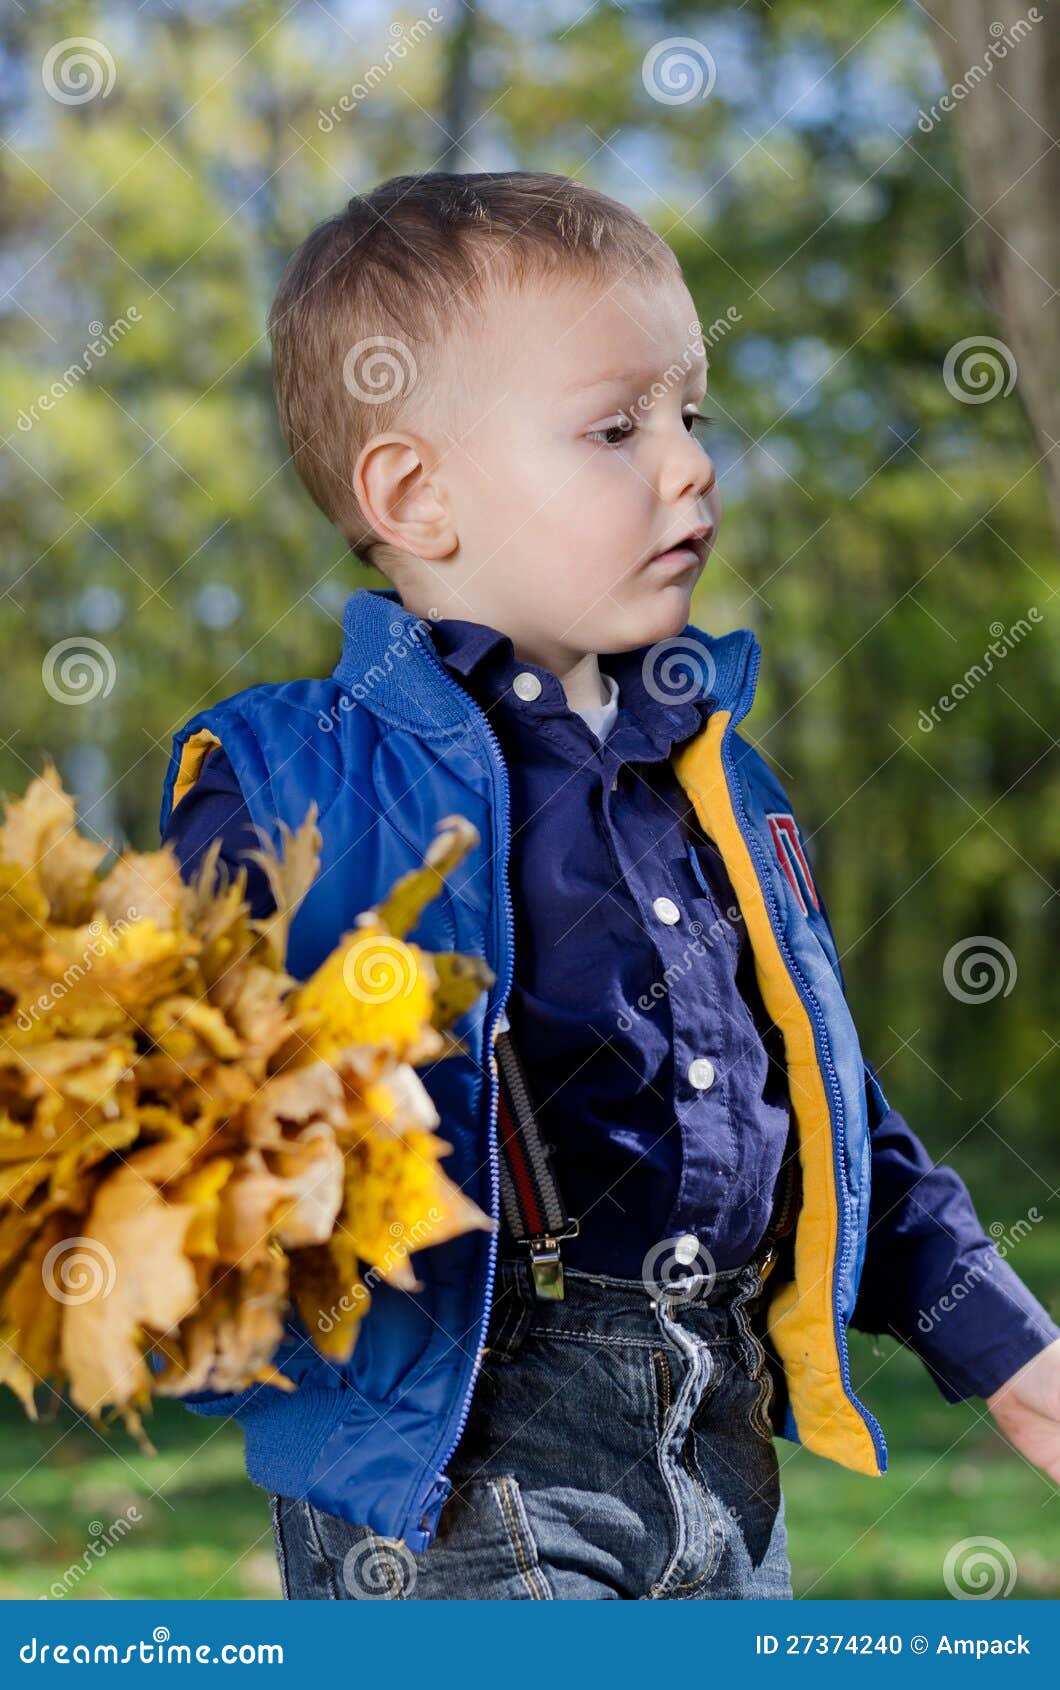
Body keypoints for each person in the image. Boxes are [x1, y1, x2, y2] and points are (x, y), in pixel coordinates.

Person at [159, 171, 1060, 1600]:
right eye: (617, 427)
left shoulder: (718, 779)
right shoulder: (293, 778)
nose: (692, 464)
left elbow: (830, 1120)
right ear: (414, 491)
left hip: (720, 1453)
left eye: (690, 418)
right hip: (456, 1459)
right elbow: (185, 1083)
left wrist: (1007, 1344)